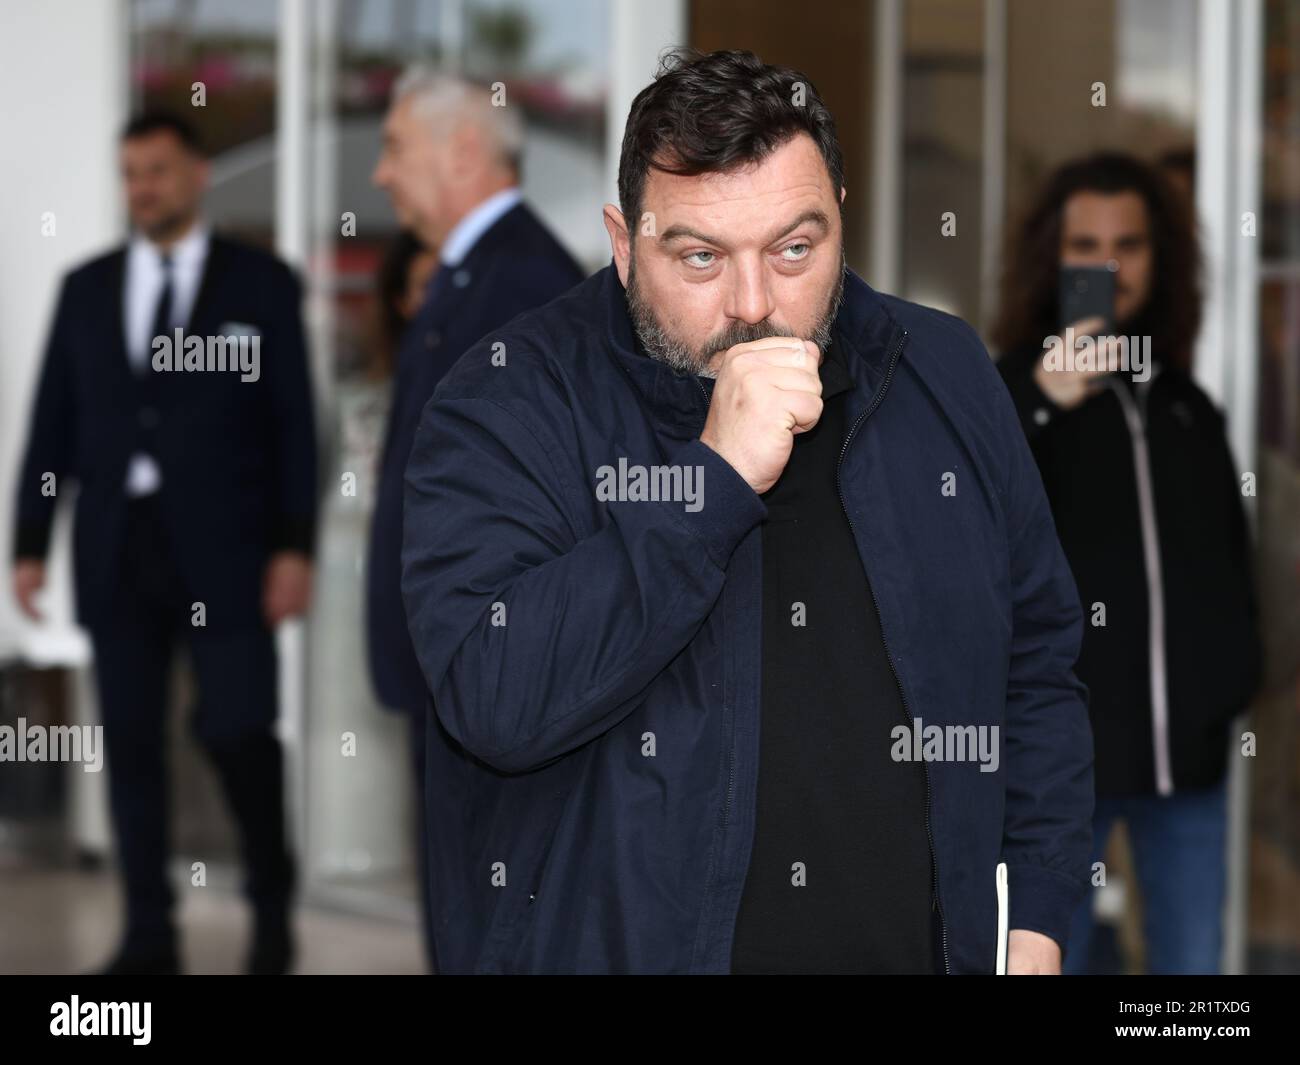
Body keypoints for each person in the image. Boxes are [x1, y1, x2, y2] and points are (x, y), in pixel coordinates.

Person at [399, 49, 1093, 974]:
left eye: (794, 249)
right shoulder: (509, 399)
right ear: (621, 243)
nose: (755, 304)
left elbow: (1037, 661)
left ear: (842, 217)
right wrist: (714, 480)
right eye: (700, 258)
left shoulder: (941, 370)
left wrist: (1035, 914)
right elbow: (494, 698)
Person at [11, 111, 318, 974]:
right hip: (117, 549)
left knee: (238, 730)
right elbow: (50, 426)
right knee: (133, 745)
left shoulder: (262, 285)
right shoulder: (86, 287)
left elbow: (298, 424)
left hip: (230, 554)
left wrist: (296, 545)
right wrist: (29, 541)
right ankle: (150, 931)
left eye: (156, 169)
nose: (142, 187)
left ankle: (270, 911)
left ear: (194, 175)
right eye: (129, 173)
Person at [993, 152, 1261, 974]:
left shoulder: (1187, 405)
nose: (1108, 266)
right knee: (1047, 959)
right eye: (1085, 246)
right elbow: (960, 520)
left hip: (1191, 759)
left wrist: (1228, 683)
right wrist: (1041, 398)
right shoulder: (1006, 392)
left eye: (1130, 244)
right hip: (1063, 765)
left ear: (1160, 257)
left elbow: (1228, 564)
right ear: (1052, 257)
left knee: (1192, 977)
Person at [366, 69, 583, 972]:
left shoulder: (518, 281)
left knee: (489, 921)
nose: (381, 176)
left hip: (484, 671)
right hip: (455, 661)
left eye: (394, 148)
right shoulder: (467, 274)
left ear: (462, 153)